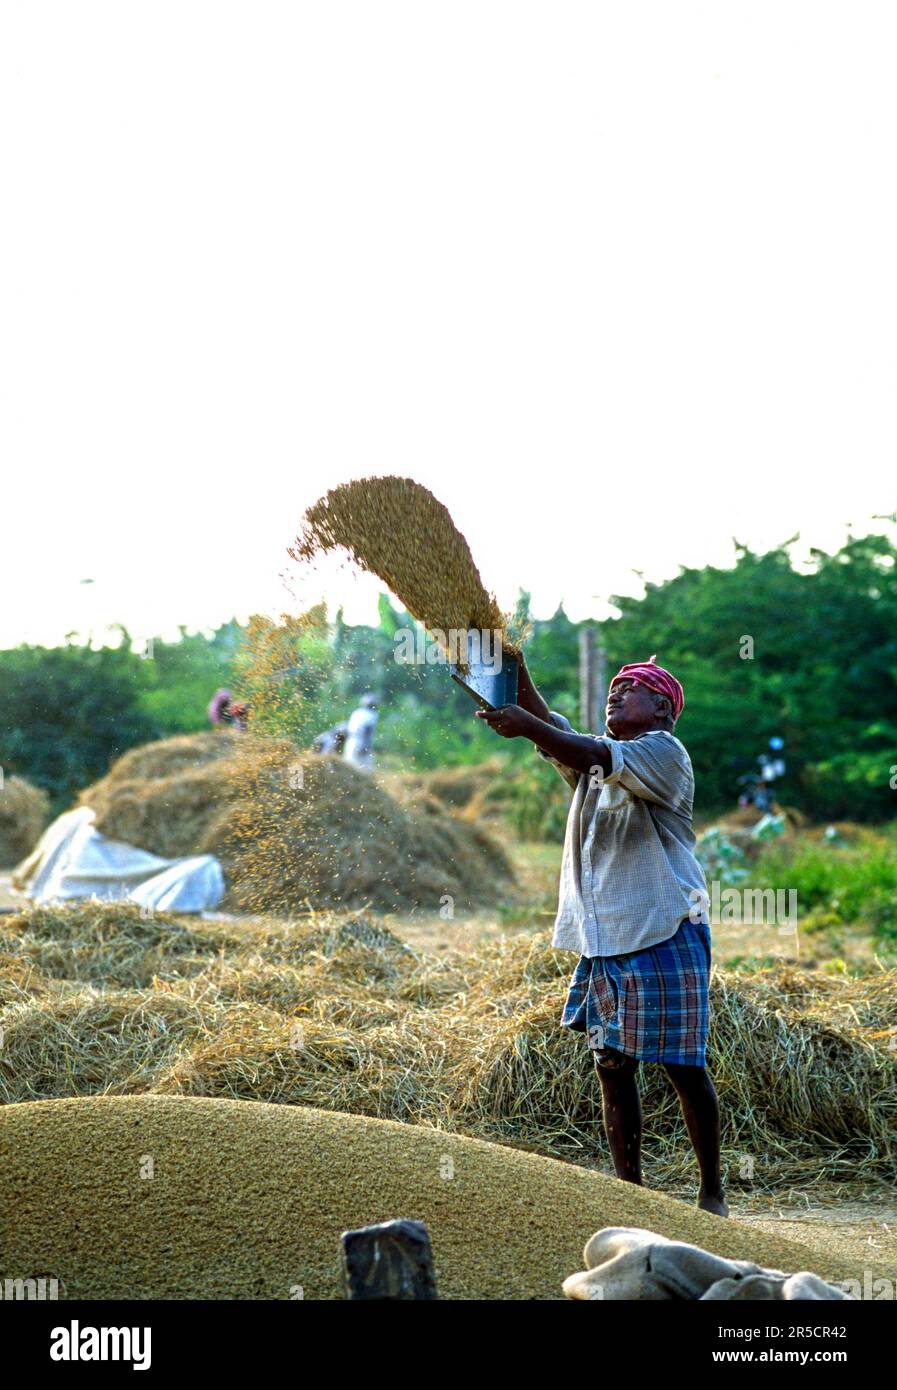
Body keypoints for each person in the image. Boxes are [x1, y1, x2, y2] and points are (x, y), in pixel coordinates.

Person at [475, 653, 727, 1217]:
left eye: (629, 688)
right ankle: (629, 1193)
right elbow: (562, 736)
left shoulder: (664, 753)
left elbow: (581, 747)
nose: (614, 695)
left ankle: (711, 1192)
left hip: (663, 926)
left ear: (662, 707)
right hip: (606, 935)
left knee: (683, 1066)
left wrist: (524, 722)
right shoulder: (595, 761)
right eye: (612, 689)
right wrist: (515, 672)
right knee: (611, 1065)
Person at [343, 693, 378, 769]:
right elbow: (367, 730)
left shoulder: (356, 712)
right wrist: (366, 746)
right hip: (361, 742)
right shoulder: (371, 714)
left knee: (349, 767)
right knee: (366, 769)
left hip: (350, 741)